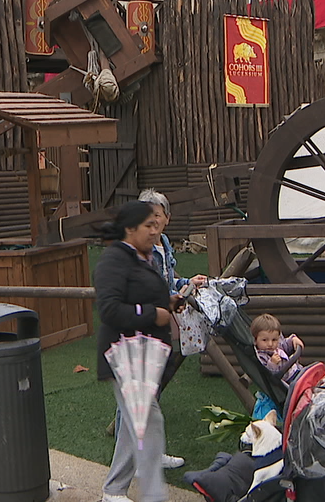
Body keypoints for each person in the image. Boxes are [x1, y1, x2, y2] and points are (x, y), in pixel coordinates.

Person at [95, 201, 175, 502]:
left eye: (157, 225)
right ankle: (154, 495)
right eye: (149, 226)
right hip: (124, 354)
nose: (155, 231)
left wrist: (171, 303)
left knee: (134, 425)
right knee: (148, 421)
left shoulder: (141, 257)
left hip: (144, 354)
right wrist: (152, 314)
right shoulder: (114, 260)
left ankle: (113, 491)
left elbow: (145, 295)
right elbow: (110, 309)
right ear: (131, 229)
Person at [133, 189, 206, 468]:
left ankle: (151, 453)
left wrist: (189, 281)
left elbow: (168, 279)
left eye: (157, 216)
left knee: (151, 391)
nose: (152, 222)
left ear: (167, 219)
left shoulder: (163, 243)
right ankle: (138, 458)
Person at [251, 313, 305, 385]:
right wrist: (272, 364)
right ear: (255, 340)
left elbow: (285, 344)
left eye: (274, 340)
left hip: (297, 371)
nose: (270, 344)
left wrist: (293, 339)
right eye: (264, 340)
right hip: (289, 381)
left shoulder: (277, 346)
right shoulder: (260, 356)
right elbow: (266, 375)